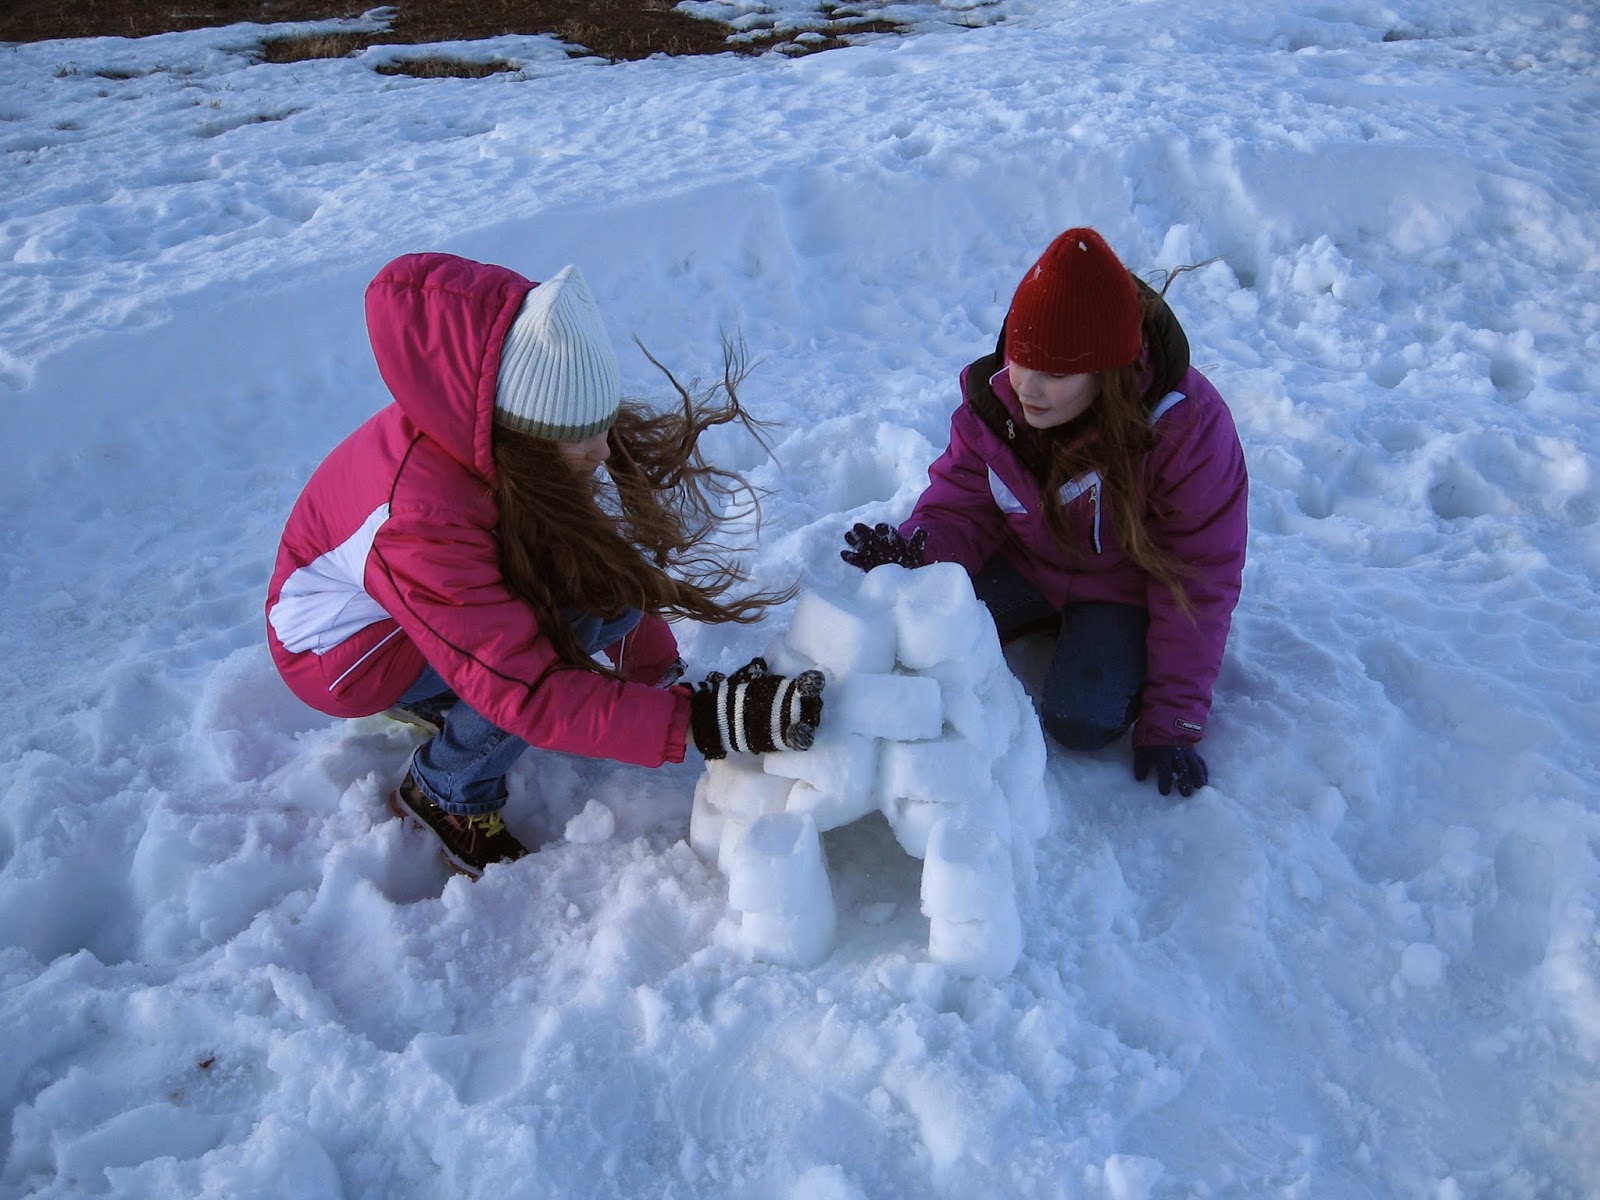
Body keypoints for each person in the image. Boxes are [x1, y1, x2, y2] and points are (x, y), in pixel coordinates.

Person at [267, 252, 823, 877]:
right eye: (578, 436)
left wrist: (661, 680)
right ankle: (446, 792)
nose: (600, 451)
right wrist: (700, 723)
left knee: (587, 577)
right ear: (522, 435)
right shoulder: (423, 521)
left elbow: (598, 570)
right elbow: (526, 687)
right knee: (556, 632)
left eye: (600, 425)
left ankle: (449, 694)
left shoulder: (493, 437)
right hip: (343, 656)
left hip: (407, 611)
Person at [842, 228, 1246, 798]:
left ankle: (1093, 644)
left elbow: (1197, 579)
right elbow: (964, 505)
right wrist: (918, 547)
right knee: (921, 642)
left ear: (1107, 371)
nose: (1028, 385)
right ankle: (1033, 619)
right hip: (1028, 563)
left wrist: (1174, 721)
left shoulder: (1186, 431)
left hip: (1122, 591)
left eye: (1056, 372)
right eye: (1022, 357)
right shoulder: (998, 405)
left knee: (1082, 722)